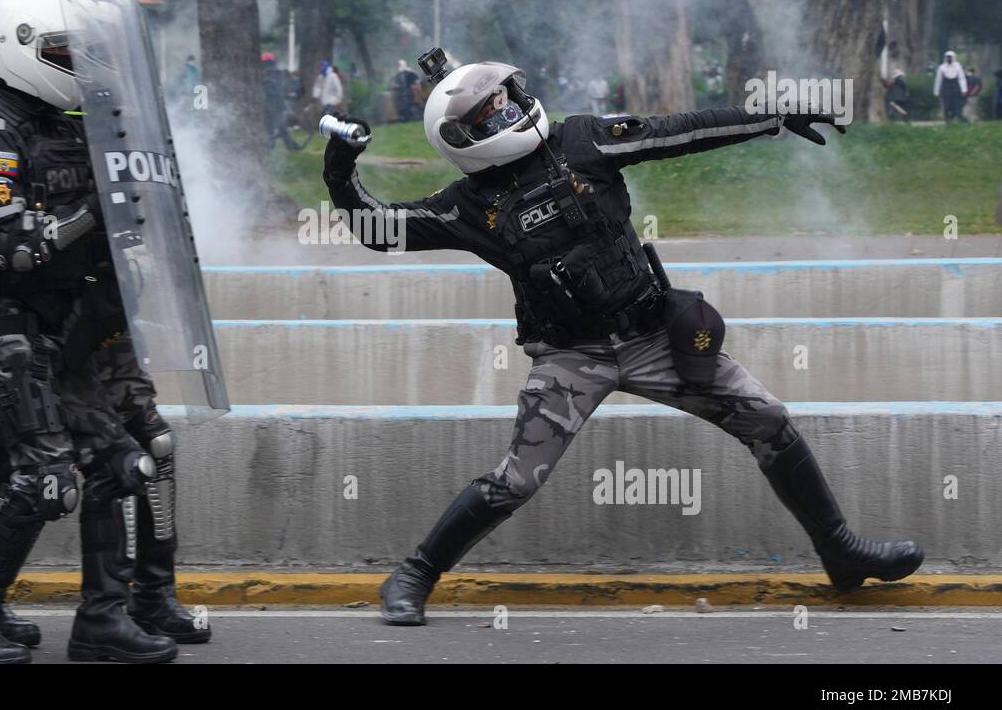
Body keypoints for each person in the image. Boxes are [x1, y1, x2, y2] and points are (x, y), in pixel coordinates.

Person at [322, 55, 924, 626]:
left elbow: (681, 131)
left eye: (507, 99)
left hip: (653, 333)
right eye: (489, 114)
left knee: (767, 418)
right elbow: (380, 229)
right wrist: (339, 168)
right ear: (461, 138)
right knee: (516, 478)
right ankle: (413, 575)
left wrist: (776, 116)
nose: (509, 112)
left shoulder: (583, 140)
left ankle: (840, 551)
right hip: (569, 357)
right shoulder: (466, 207)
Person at [0, 0, 181, 664]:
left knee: (121, 461)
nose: (77, 64)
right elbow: (12, 245)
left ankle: (101, 622)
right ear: (16, 48)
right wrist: (101, 206)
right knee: (42, 477)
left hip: (54, 332)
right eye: (64, 51)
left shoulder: (56, 127)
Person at [262, 52, 300, 150]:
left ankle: (286, 145)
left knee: (277, 126)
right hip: (275, 105)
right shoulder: (275, 74)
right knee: (276, 126)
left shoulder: (270, 74)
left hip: (274, 105)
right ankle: (278, 145)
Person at [934, 50, 967, 123]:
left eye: (950, 57)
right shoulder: (941, 68)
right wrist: (936, 92)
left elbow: (962, 79)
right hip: (946, 91)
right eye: (947, 57)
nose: (949, 59)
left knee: (956, 107)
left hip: (956, 90)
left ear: (953, 57)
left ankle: (961, 121)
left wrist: (964, 90)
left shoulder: (958, 67)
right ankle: (948, 121)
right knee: (946, 107)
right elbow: (938, 80)